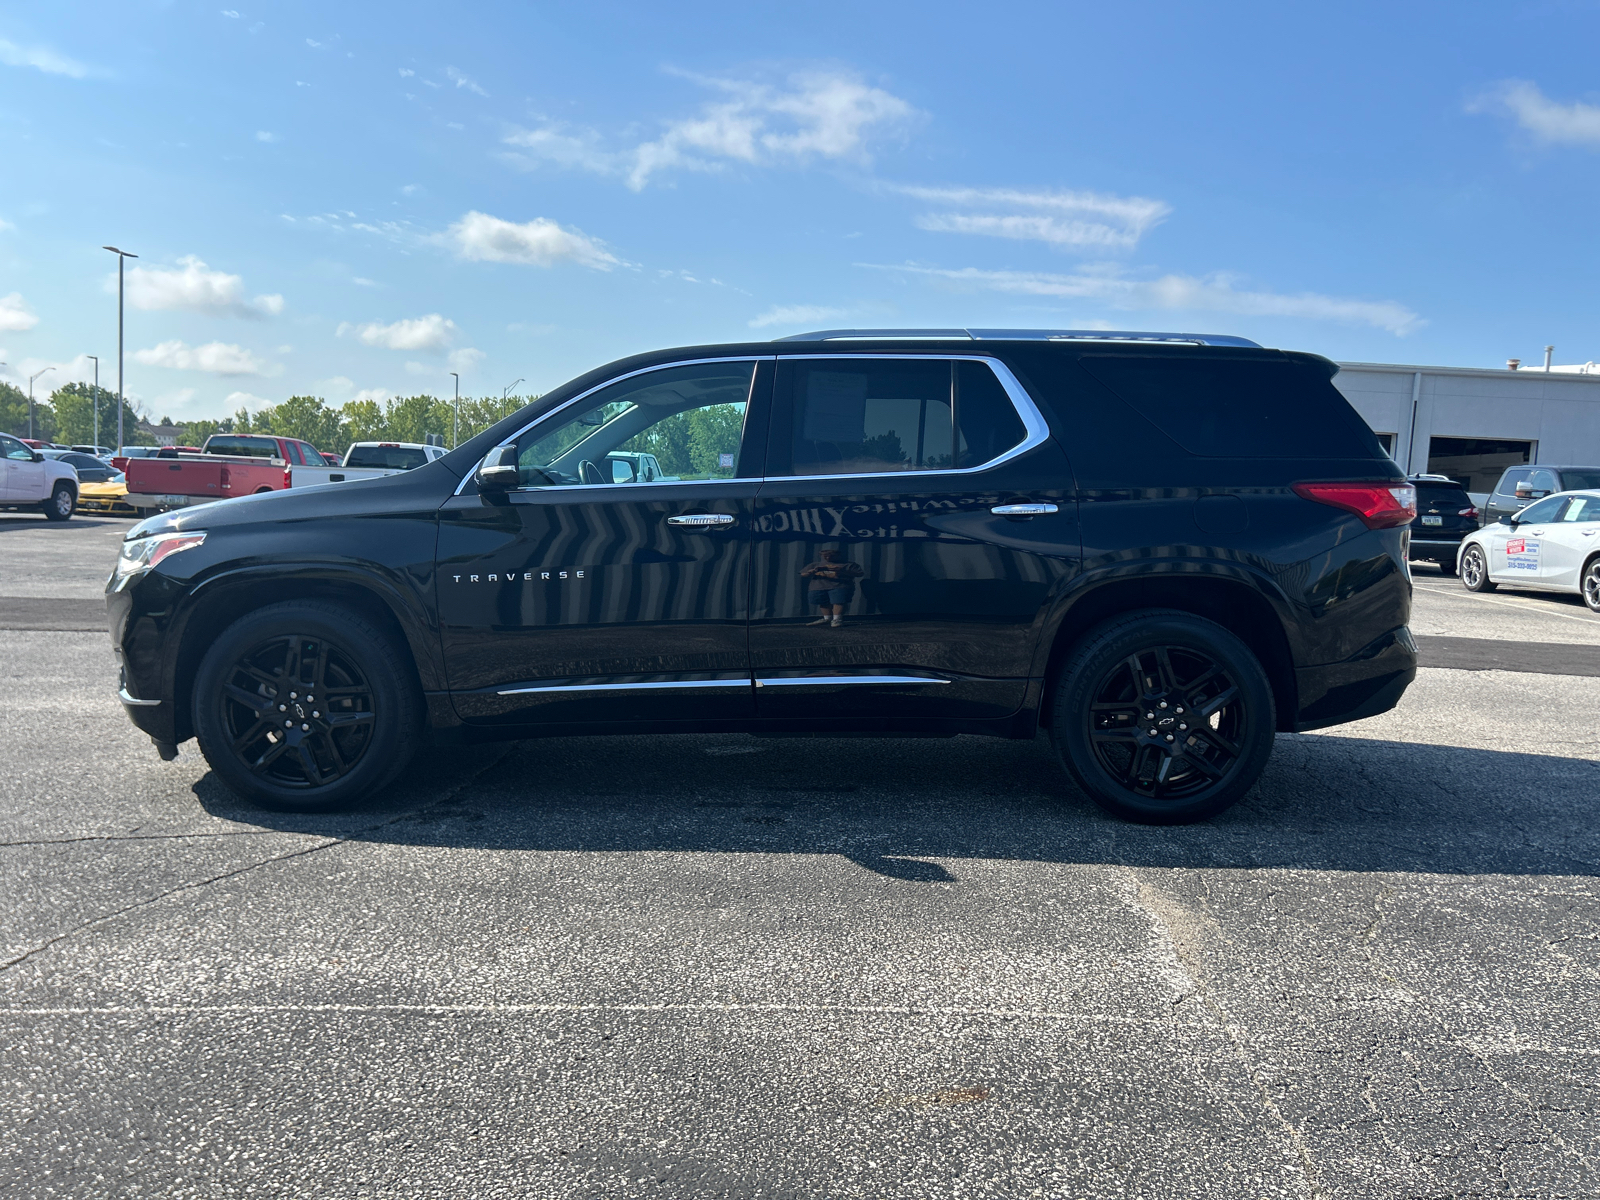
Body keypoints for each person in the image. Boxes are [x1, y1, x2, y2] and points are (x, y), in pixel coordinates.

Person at [800, 548, 863, 627]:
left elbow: (859, 574)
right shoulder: (815, 564)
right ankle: (827, 618)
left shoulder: (848, 564)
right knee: (823, 602)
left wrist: (841, 571)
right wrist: (810, 572)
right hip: (818, 586)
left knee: (838, 601)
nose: (828, 558)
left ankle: (837, 619)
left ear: (838, 555)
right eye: (825, 556)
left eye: (831, 556)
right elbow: (803, 574)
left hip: (840, 586)